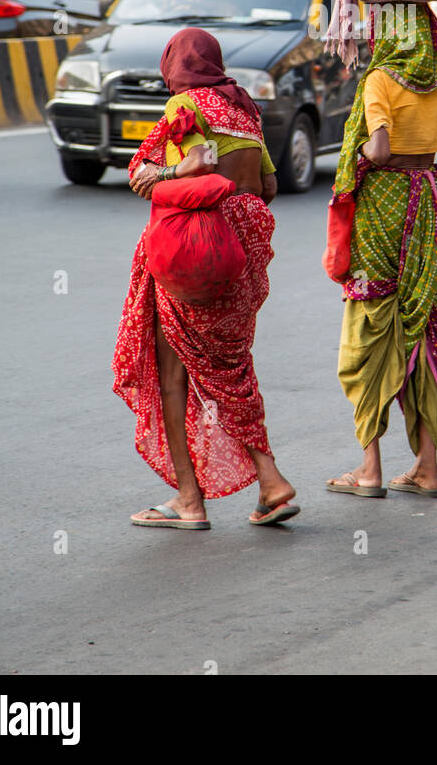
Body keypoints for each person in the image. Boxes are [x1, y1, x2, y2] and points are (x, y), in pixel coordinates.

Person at [113, 28, 299, 530]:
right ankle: (270, 483)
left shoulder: (185, 107)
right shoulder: (245, 110)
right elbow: (269, 187)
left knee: (173, 374)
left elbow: (176, 172)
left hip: (196, 249)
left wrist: (169, 176)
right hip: (241, 250)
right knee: (228, 365)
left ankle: (190, 500)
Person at [326, 3, 437, 500]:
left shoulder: (379, 80)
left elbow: (374, 150)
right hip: (428, 201)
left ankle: (370, 468)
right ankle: (427, 467)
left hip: (385, 203)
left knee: (371, 321)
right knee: (418, 319)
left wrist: (355, 158)